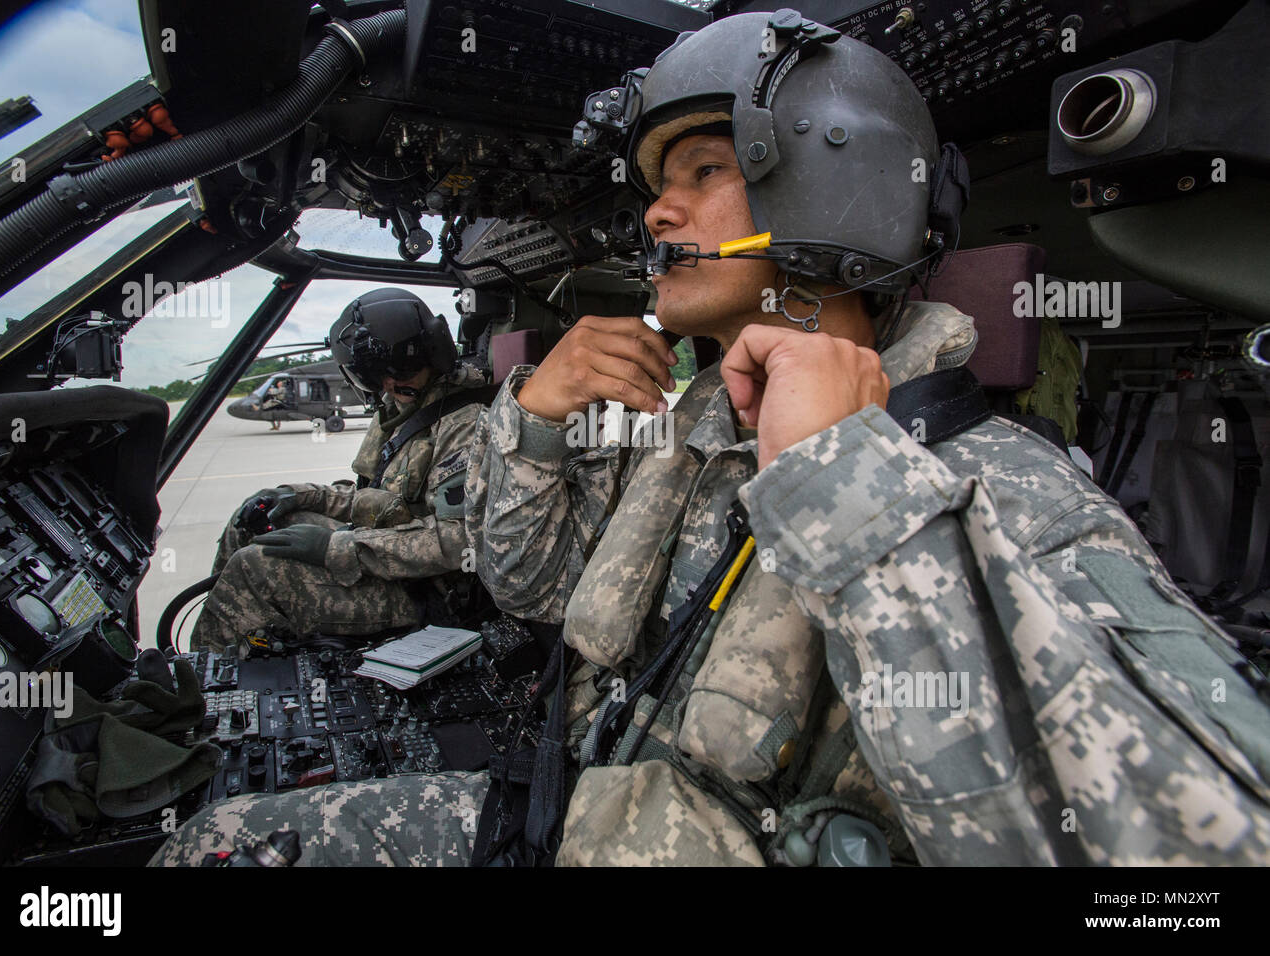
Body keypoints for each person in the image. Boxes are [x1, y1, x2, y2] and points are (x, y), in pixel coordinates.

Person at [153, 10, 1270, 866]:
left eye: (702, 169)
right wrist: (533, 427)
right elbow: (535, 592)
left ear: (834, 178)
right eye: (652, 186)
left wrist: (847, 485)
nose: (654, 213)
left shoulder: (1000, 489)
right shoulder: (694, 439)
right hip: (580, 799)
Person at [190, 288, 493, 653]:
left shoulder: (466, 421)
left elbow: (457, 541)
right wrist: (302, 495)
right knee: (253, 522)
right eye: (376, 376)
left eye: (400, 370)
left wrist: (336, 547)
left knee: (254, 568)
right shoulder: (405, 408)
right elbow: (377, 497)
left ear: (436, 351)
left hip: (428, 593)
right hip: (383, 556)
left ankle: (203, 692)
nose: (389, 385)